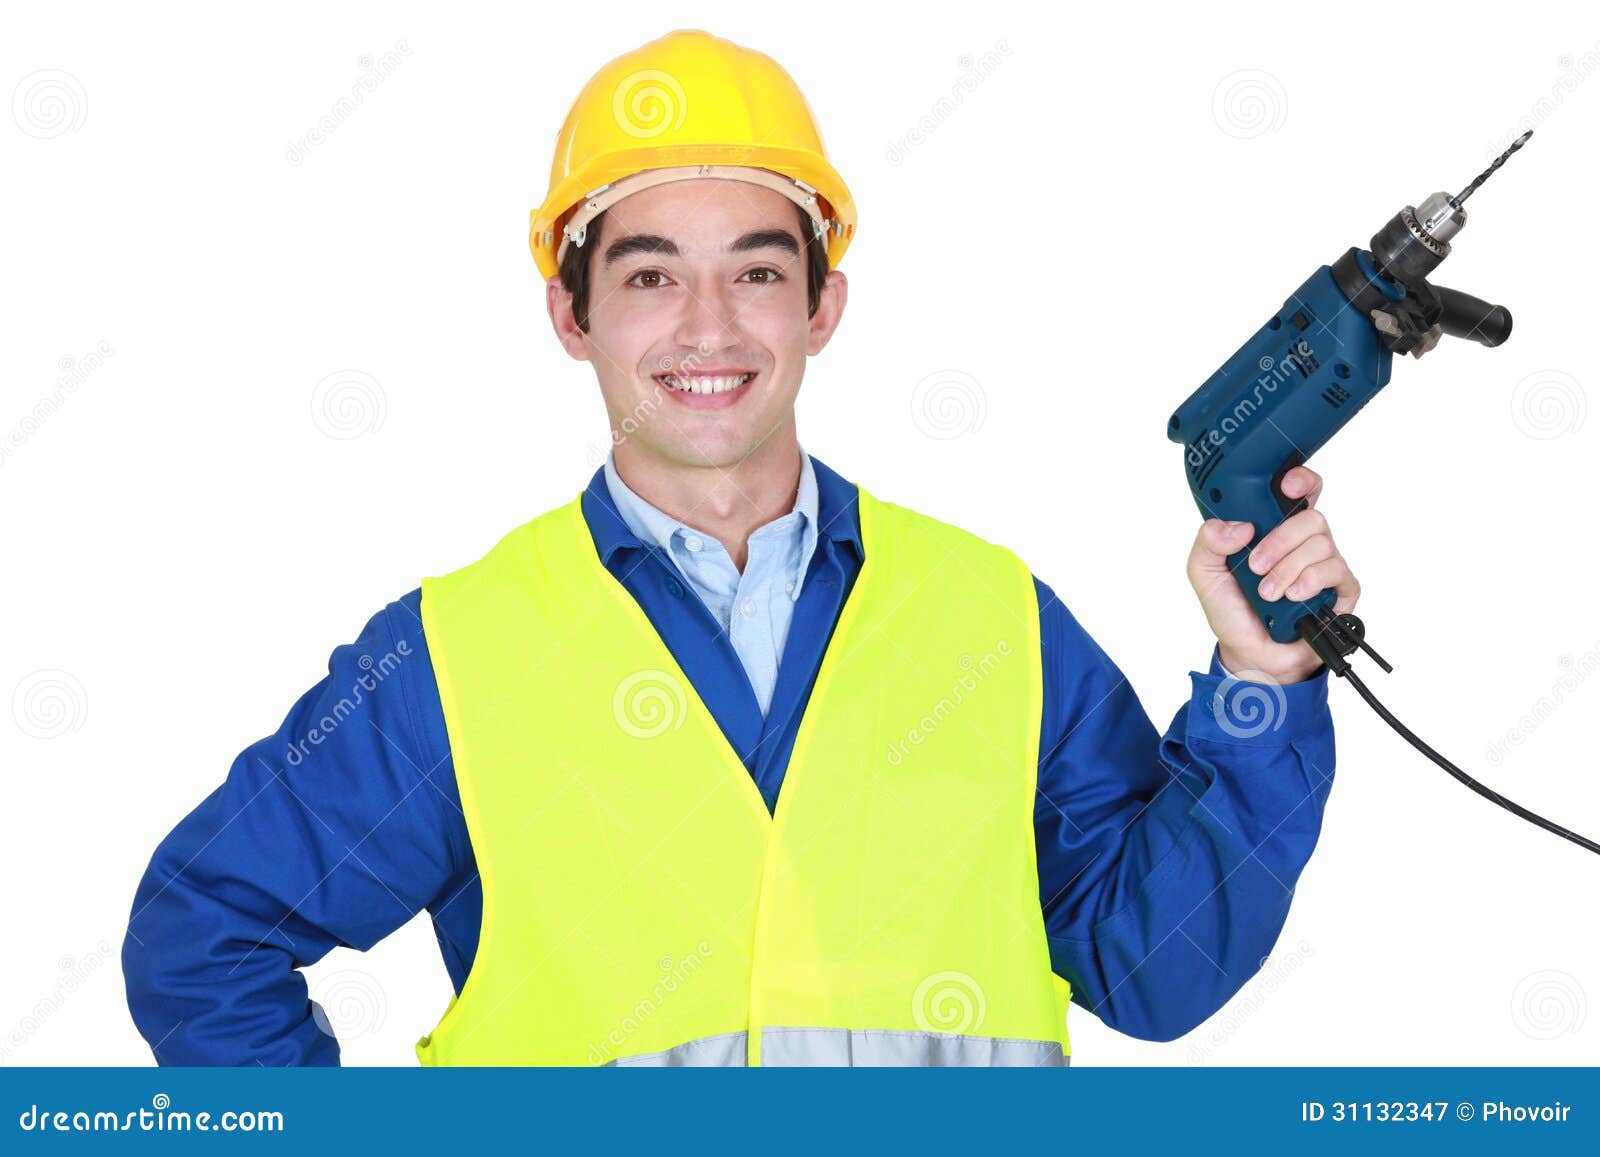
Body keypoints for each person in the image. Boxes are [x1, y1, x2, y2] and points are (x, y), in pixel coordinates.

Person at [123, 28, 1357, 1067]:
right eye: (651, 275)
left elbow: (1154, 970)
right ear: (573, 311)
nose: (707, 327)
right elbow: (202, 935)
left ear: (821, 306)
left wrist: (1263, 681)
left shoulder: (990, 616)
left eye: (756, 272)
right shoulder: (454, 654)